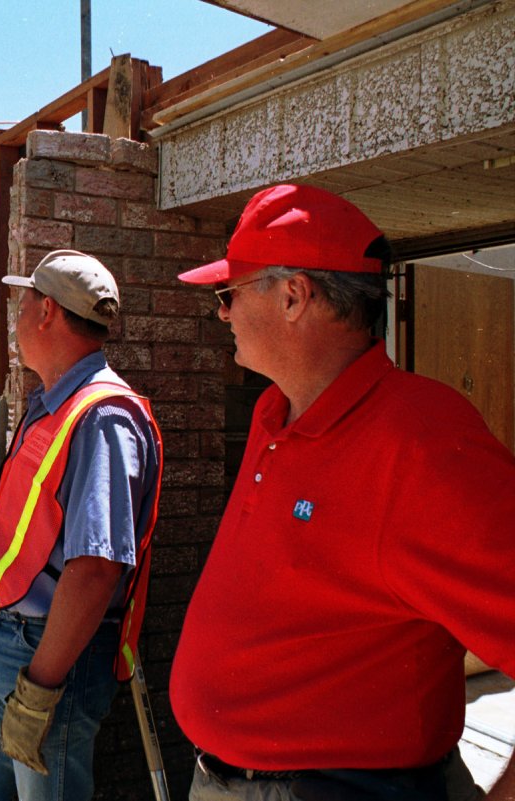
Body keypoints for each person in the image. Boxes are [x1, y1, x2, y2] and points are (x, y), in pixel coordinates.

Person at [170, 183, 515, 801]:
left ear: (294, 295)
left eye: (229, 294)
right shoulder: (276, 410)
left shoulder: (421, 444)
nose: (221, 313)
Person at [0, 249, 163, 801]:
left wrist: (40, 688)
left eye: (21, 304)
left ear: (46, 312)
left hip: (52, 658)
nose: (14, 320)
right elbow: (27, 535)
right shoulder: (55, 405)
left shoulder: (103, 417)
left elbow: (95, 569)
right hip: (12, 641)